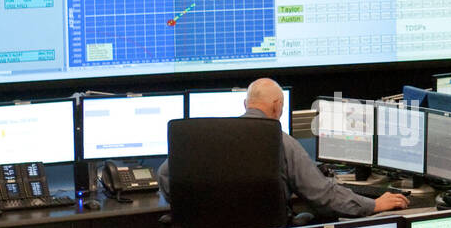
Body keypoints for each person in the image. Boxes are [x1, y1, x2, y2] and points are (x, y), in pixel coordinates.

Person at [158, 78, 409, 219]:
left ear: (246, 103)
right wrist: (374, 205)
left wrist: (200, 211)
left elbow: (166, 176)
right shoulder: (281, 142)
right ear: (278, 107)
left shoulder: (204, 140)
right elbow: (323, 196)